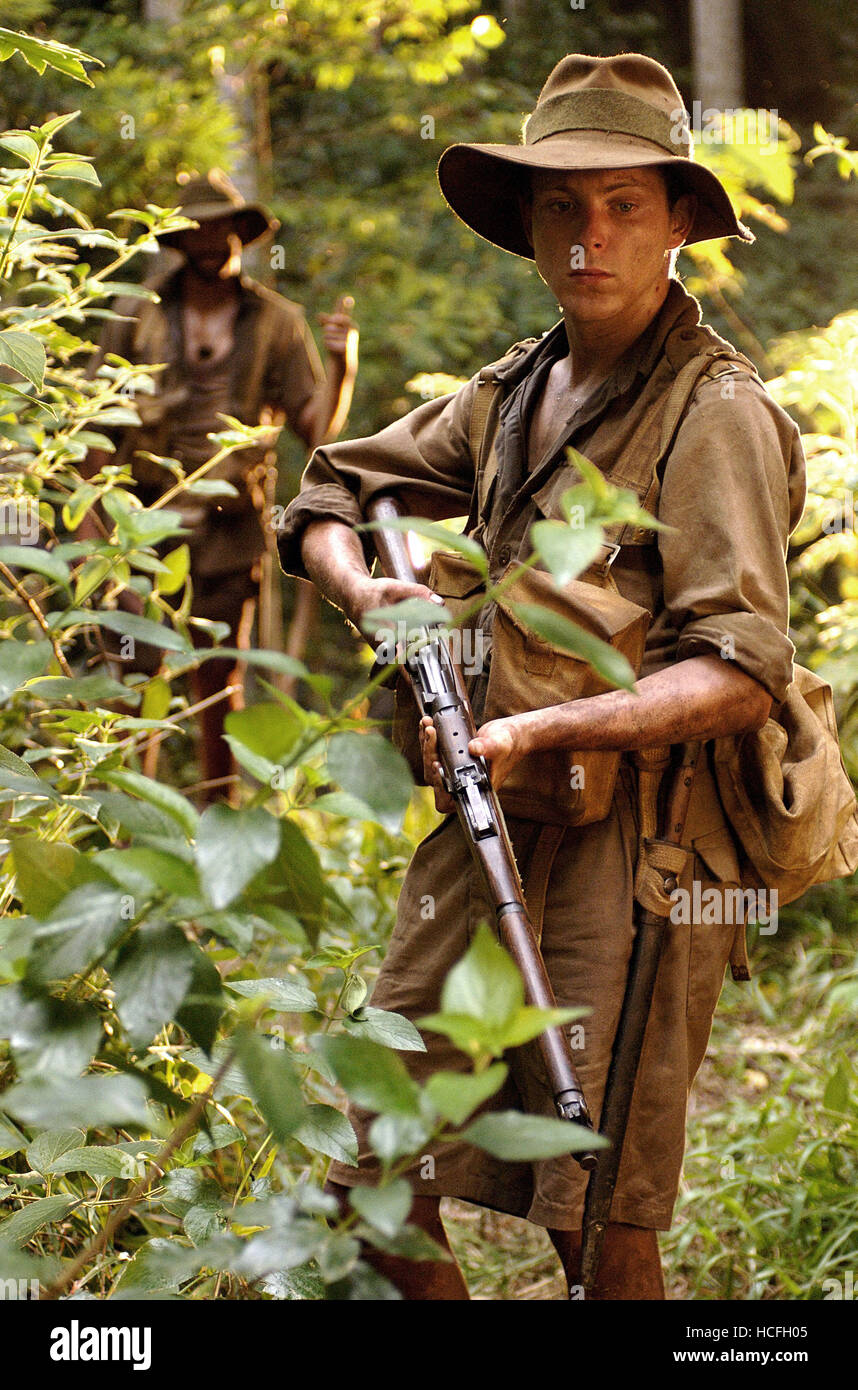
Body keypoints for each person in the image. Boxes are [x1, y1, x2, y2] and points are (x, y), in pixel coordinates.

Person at [276, 53, 806, 1299]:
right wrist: (372, 595)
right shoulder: (511, 393)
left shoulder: (714, 411)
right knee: (369, 1165)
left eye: (625, 204)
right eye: (561, 206)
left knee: (597, 1217)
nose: (590, 237)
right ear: (526, 224)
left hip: (638, 850)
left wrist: (551, 724)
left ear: (679, 221)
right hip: (484, 821)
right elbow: (330, 494)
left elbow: (741, 668)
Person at [83, 170, 357, 799]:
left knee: (218, 678)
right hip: (139, 523)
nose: (211, 240)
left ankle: (217, 816)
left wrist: (343, 363)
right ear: (179, 240)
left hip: (230, 526)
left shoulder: (278, 322)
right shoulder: (136, 314)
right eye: (197, 229)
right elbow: (93, 435)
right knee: (130, 671)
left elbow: (314, 427)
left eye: (221, 227)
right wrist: (103, 553)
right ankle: (124, 822)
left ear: (241, 232)